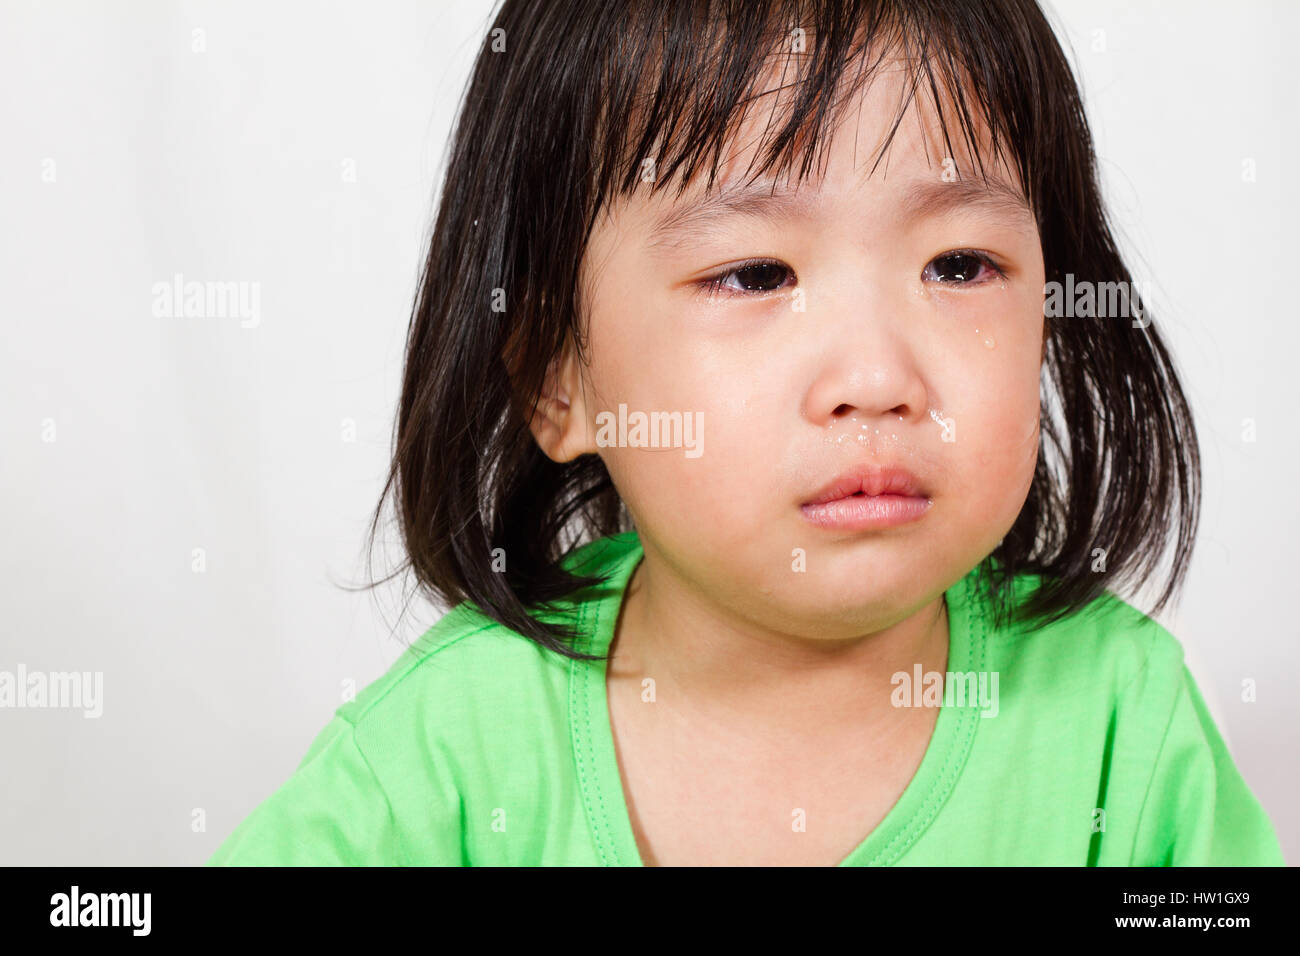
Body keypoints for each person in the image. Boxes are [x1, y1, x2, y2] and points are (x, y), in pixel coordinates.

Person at [207, 0, 1285, 866]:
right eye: (755, 273)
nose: (876, 377)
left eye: (959, 264)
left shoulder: (1117, 728)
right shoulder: (445, 754)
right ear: (557, 377)